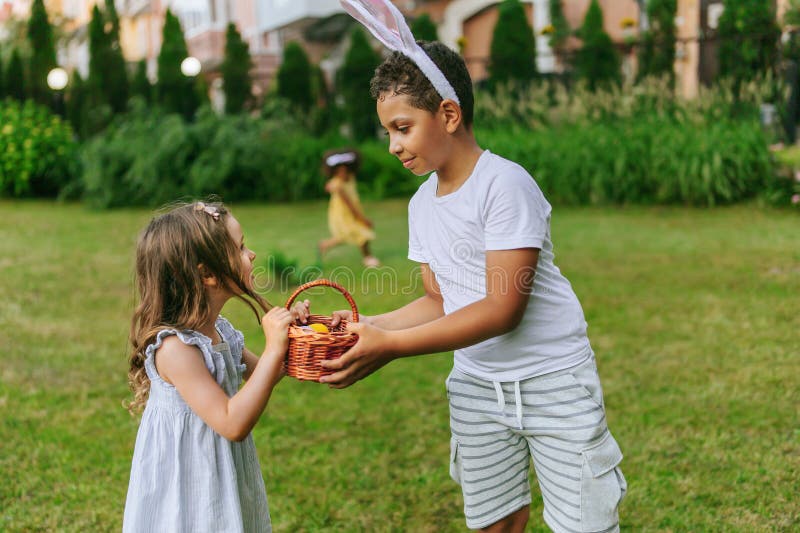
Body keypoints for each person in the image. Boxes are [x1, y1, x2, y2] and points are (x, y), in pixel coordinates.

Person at [322, 3, 627, 531]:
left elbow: (502, 308)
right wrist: (372, 327)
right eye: (387, 132)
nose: (393, 145)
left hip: (552, 379)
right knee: (497, 521)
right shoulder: (422, 204)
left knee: (585, 524)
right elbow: (439, 300)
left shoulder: (503, 185)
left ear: (448, 114)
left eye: (402, 128)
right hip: (476, 386)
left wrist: (391, 347)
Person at [123, 201, 308, 533]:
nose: (251, 255)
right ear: (207, 274)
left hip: (218, 469)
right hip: (186, 482)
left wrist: (294, 334)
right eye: (240, 248)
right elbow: (231, 422)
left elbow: (272, 371)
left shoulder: (220, 330)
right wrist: (273, 349)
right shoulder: (176, 349)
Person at [317, 149, 380, 268]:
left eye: (345, 170)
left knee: (345, 236)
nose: (343, 173)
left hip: (350, 212)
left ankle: (324, 245)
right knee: (362, 234)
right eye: (339, 171)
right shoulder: (338, 185)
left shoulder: (350, 178)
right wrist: (363, 219)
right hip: (344, 214)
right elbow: (349, 205)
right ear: (334, 172)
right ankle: (368, 258)